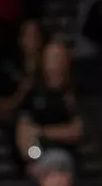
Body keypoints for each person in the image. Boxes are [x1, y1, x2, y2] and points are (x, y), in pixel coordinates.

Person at [15, 39, 85, 171]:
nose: (55, 63)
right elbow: (24, 130)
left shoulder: (76, 92)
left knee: (58, 159)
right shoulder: (34, 91)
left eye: (59, 57)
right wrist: (33, 158)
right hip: (39, 156)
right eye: (51, 57)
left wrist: (42, 132)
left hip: (69, 157)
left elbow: (77, 131)